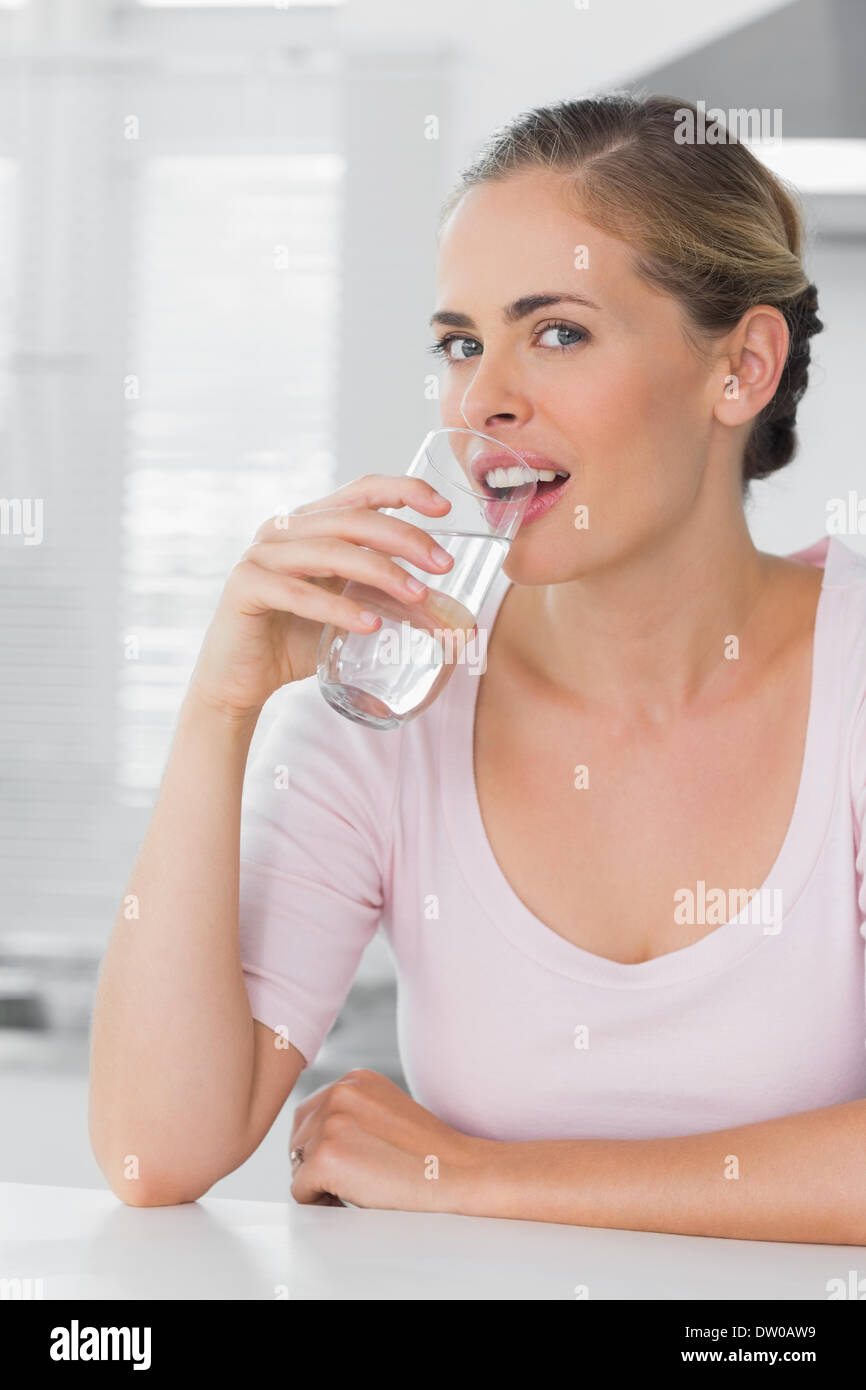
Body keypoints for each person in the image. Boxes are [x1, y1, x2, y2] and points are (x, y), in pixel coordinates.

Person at [89, 94, 866, 1243]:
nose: (479, 400)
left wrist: (475, 1176)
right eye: (460, 343)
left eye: (554, 331)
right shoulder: (388, 694)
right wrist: (222, 703)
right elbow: (157, 1151)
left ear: (740, 366)